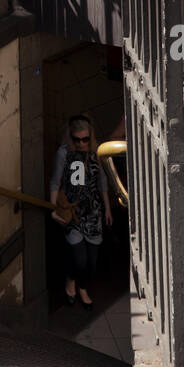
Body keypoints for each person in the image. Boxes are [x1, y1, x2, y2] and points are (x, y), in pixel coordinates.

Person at [49, 114, 112, 309]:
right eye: (77, 140)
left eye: (85, 139)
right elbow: (55, 180)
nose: (81, 144)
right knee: (80, 259)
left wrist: (108, 208)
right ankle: (72, 282)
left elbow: (102, 181)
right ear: (71, 137)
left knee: (92, 261)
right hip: (73, 211)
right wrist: (53, 208)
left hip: (92, 213)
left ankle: (82, 286)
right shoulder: (64, 153)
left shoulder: (96, 152)